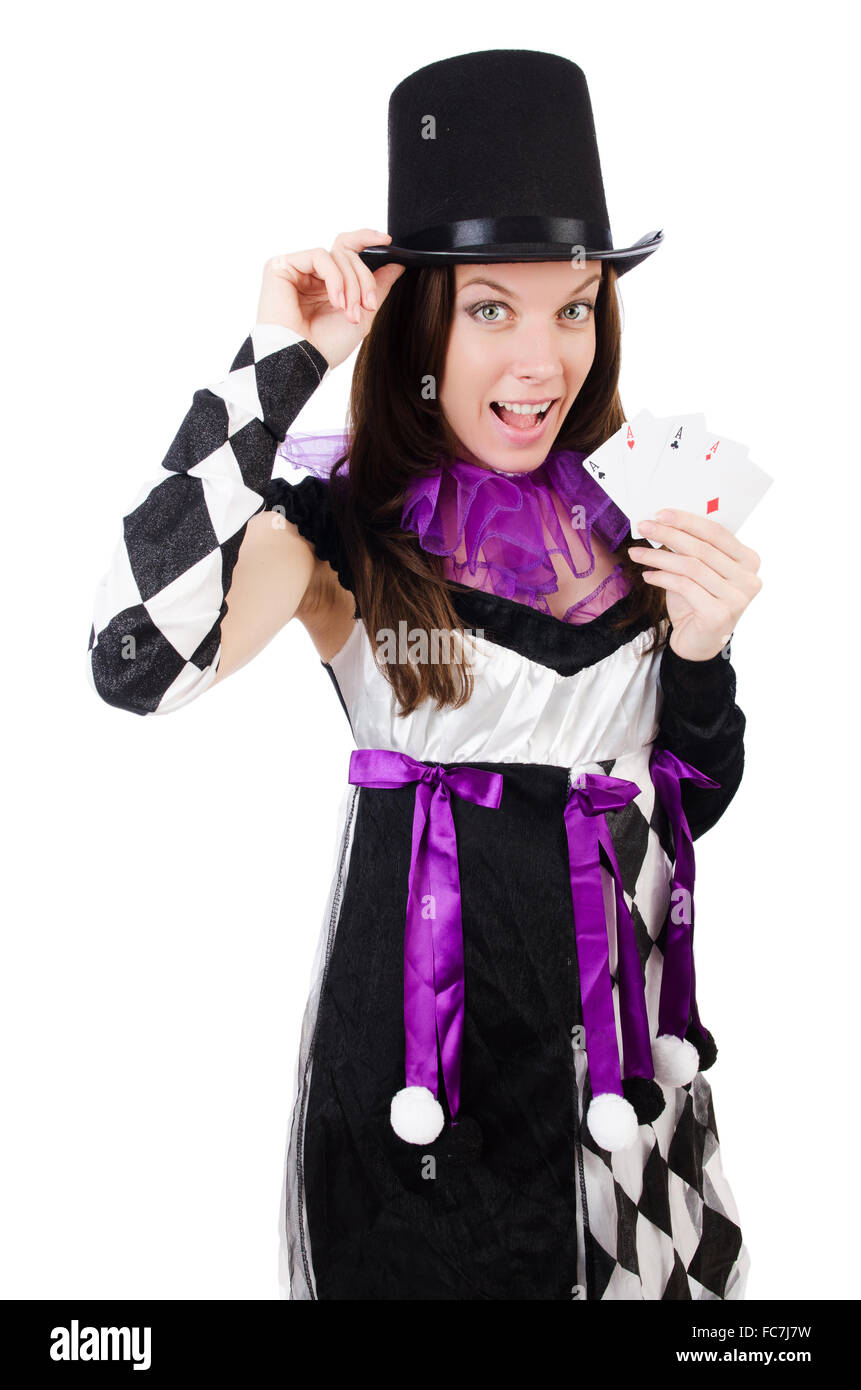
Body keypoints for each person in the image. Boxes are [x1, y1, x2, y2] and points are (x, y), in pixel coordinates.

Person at [86, 50, 762, 1300]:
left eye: (573, 306)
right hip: (419, 1071)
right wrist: (278, 361)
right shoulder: (337, 527)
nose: (542, 361)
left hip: (620, 1070)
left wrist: (708, 657)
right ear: (424, 319)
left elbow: (687, 803)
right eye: (491, 308)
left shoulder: (638, 508)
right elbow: (135, 656)